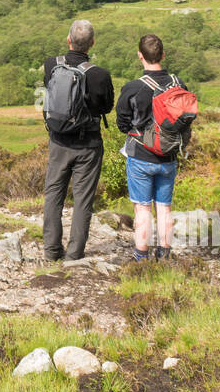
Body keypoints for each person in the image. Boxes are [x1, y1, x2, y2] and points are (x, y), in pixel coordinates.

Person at [41, 19, 114, 261]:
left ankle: (51, 251)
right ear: (92, 43)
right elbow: (107, 107)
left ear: (68, 40)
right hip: (88, 144)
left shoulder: (51, 65)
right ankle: (74, 255)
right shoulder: (100, 75)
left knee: (53, 193)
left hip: (59, 141)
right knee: (83, 199)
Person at [116, 33, 186, 260]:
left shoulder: (133, 87)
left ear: (140, 56)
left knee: (143, 208)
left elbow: (122, 123)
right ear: (163, 55)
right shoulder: (178, 84)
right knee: (164, 207)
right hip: (169, 156)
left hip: (140, 157)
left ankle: (141, 256)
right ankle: (164, 254)